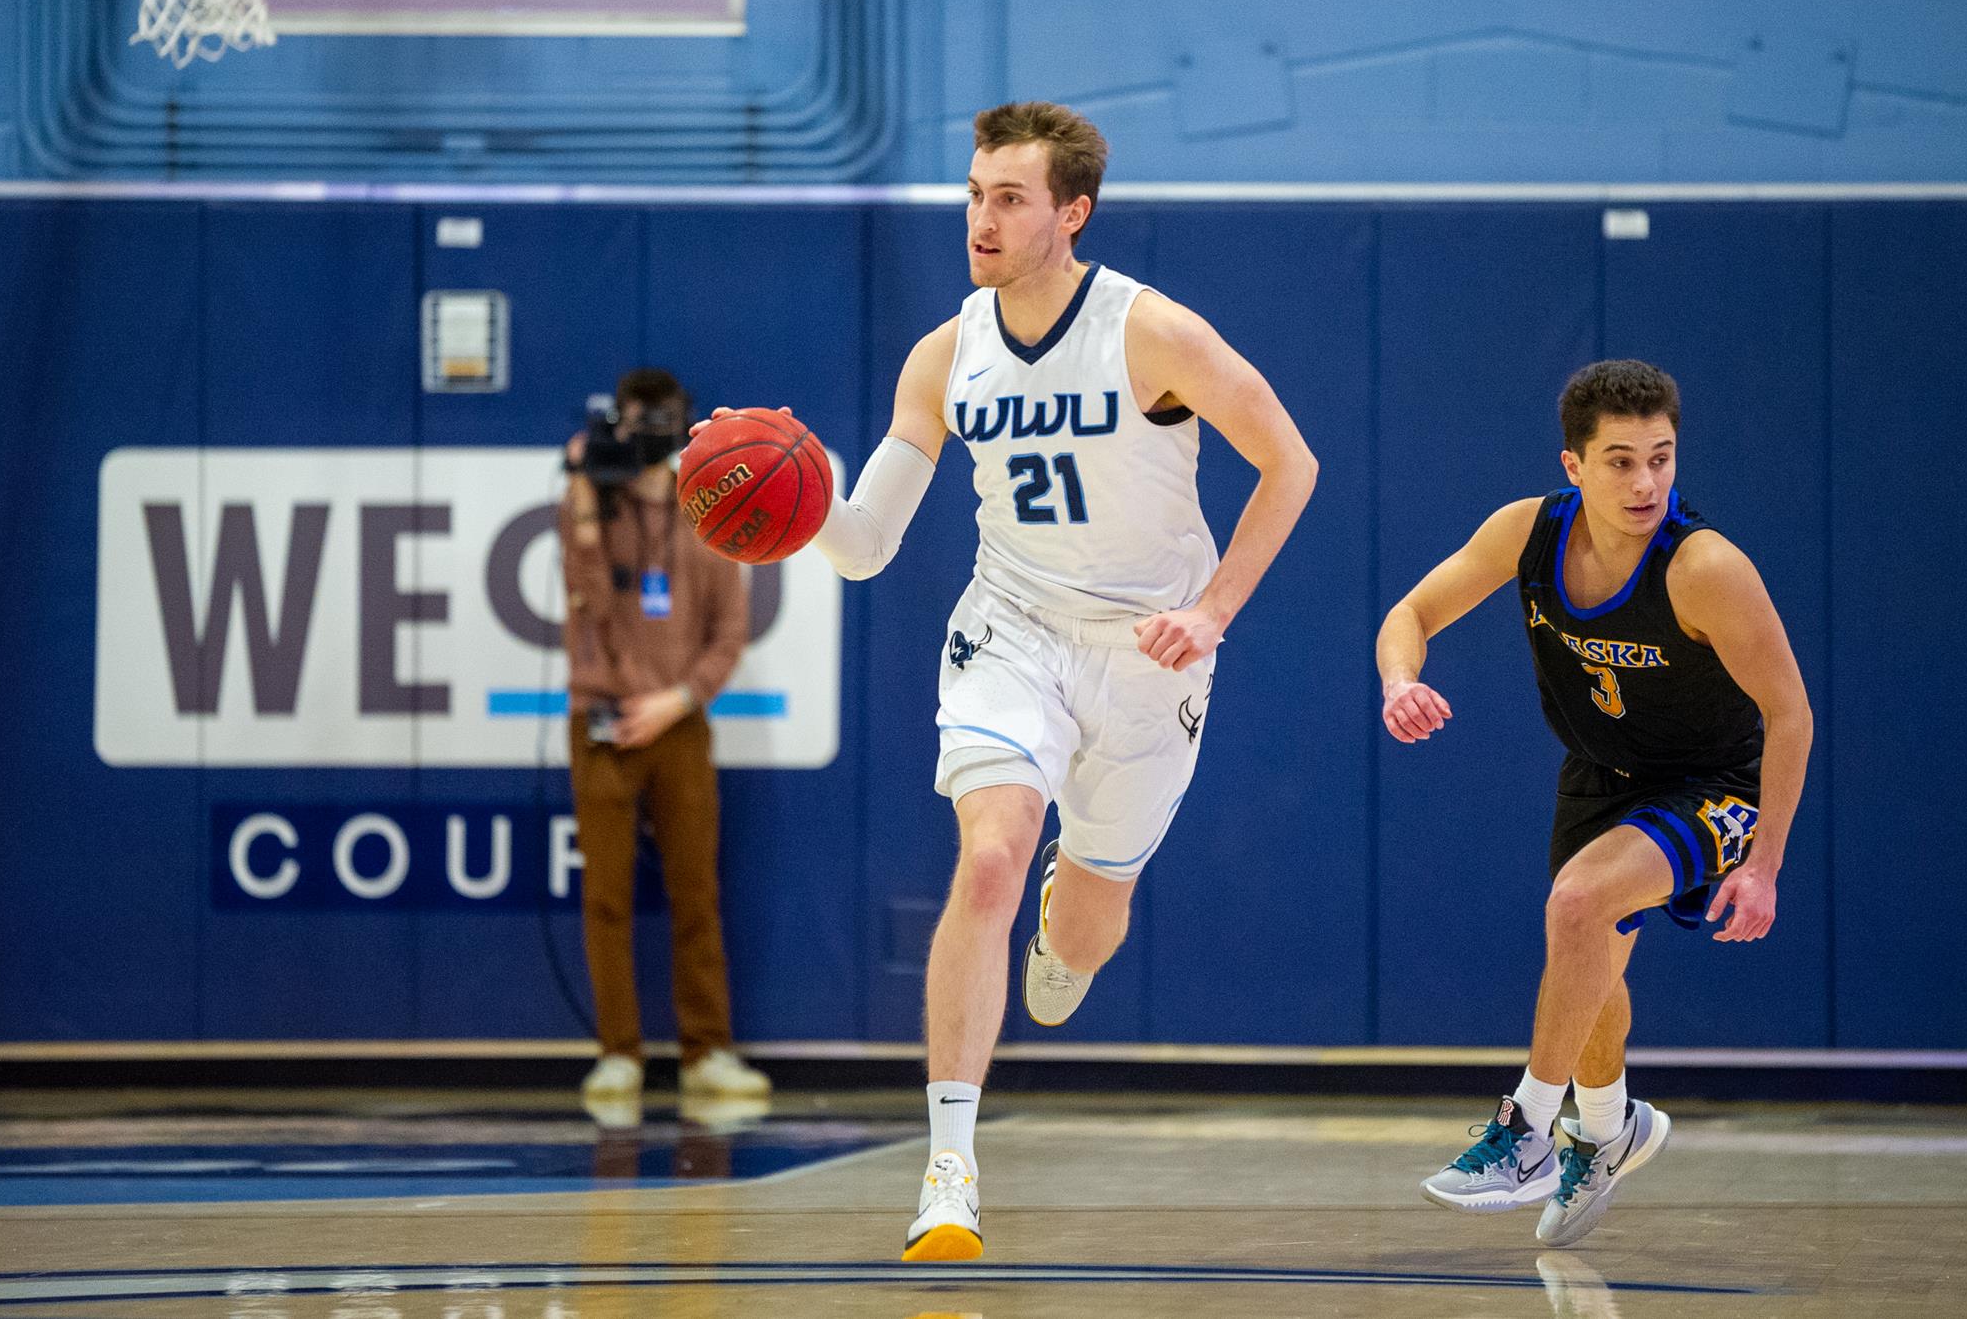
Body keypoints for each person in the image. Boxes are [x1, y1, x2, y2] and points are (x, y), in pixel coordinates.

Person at [710, 101, 1317, 1261]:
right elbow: (864, 545)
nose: (981, 218)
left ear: (1069, 212)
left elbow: (1290, 462)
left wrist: (1212, 610)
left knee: (1084, 934)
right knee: (986, 858)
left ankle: (1063, 928)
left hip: (1148, 653)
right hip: (1012, 630)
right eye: (974, 193)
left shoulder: (1154, 333)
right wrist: (784, 500)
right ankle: (949, 1168)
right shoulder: (944, 354)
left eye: (1009, 198)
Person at [1375, 359, 1811, 1246]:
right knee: (1590, 958)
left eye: (1662, 456)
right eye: (1620, 460)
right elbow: (1410, 614)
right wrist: (1398, 683)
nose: (1646, 480)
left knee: (1577, 904)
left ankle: (1528, 1130)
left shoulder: (1705, 567)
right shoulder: (1526, 533)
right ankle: (1608, 1127)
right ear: (1573, 467)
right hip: (1599, 773)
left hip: (1714, 785)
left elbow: (1790, 712)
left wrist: (1764, 863)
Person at [560, 367, 773, 1112]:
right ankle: (618, 1053)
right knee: (606, 896)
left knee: (696, 892)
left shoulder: (707, 510)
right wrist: (586, 498)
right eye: (635, 418)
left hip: (679, 725)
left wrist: (676, 700)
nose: (647, 433)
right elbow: (585, 599)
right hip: (603, 720)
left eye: (660, 419)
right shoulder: (592, 500)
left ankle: (706, 1052)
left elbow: (730, 631)